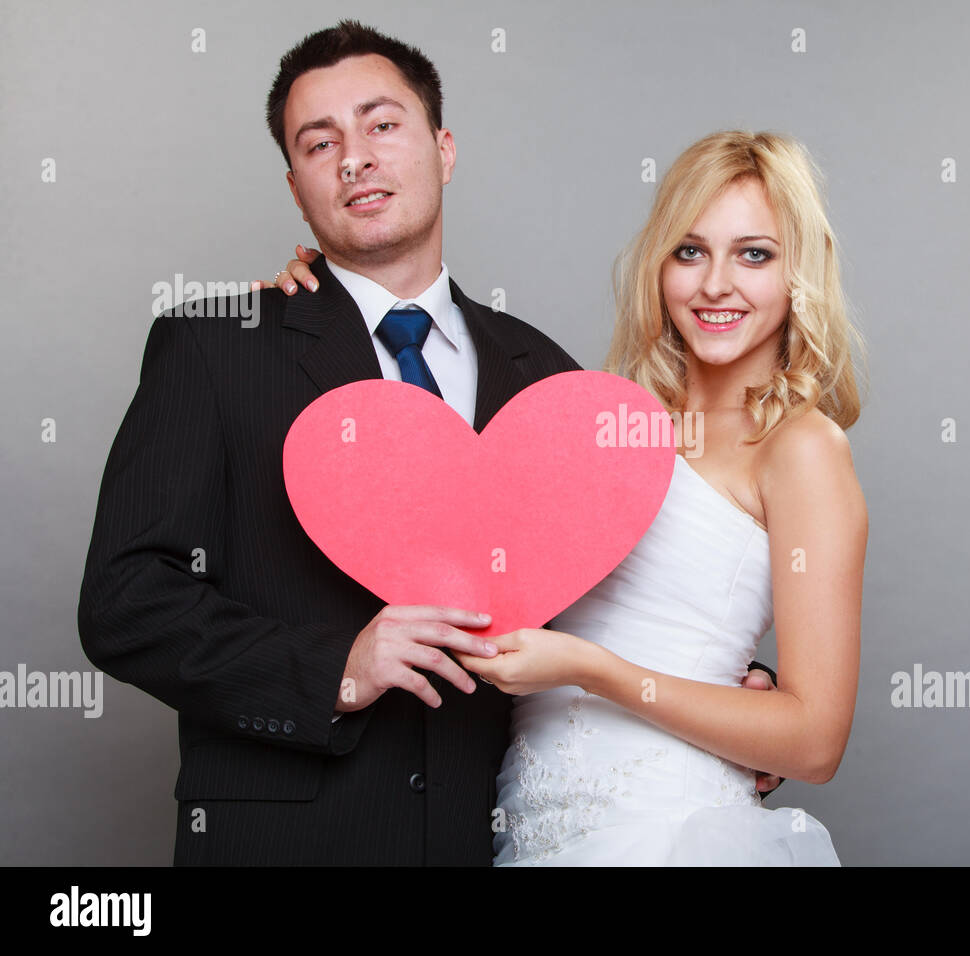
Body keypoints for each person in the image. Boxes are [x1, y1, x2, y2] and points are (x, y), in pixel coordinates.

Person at [77, 20, 778, 867]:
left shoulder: (543, 376)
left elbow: (597, 591)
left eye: (382, 124)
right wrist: (339, 665)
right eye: (319, 141)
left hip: (484, 839)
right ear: (298, 188)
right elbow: (124, 602)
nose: (355, 157)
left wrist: (731, 699)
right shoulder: (216, 348)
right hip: (279, 843)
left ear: (443, 149)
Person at [271, 130, 869, 864]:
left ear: (800, 271)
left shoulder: (801, 449)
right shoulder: (604, 425)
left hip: (671, 834)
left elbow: (814, 742)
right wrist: (323, 298)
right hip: (526, 825)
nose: (716, 284)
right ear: (658, 265)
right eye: (690, 251)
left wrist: (592, 670)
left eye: (755, 254)